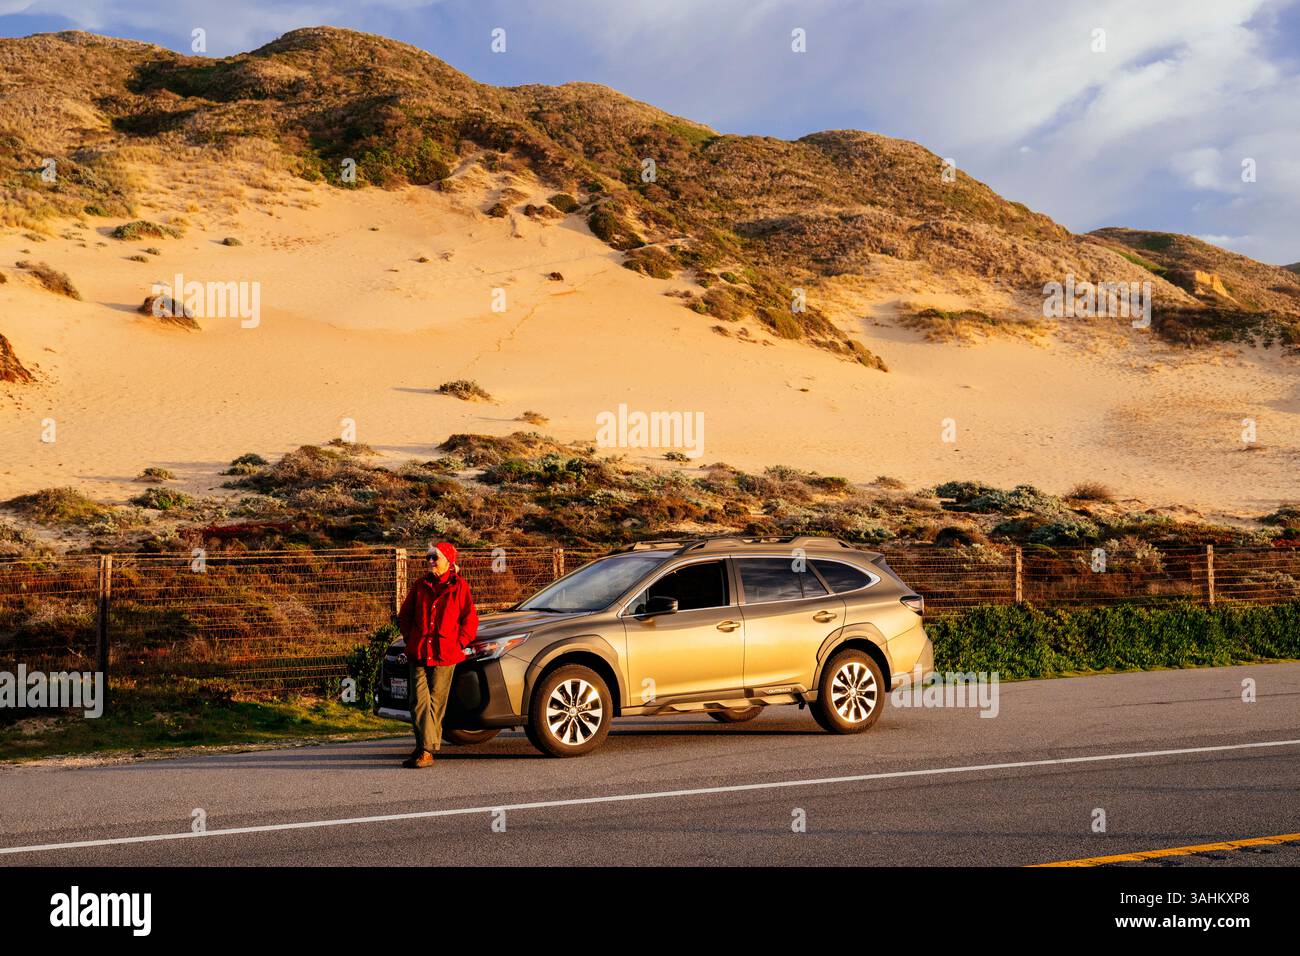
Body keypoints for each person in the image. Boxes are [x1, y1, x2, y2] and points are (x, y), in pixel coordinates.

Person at [396, 541, 479, 768]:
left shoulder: (460, 586)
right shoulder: (420, 585)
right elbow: (405, 615)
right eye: (428, 558)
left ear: (448, 561)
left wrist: (459, 642)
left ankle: (424, 749)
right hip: (419, 650)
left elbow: (470, 620)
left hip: (445, 653)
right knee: (417, 701)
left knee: (436, 703)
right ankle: (427, 747)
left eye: (435, 558)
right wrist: (410, 638)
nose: (431, 562)